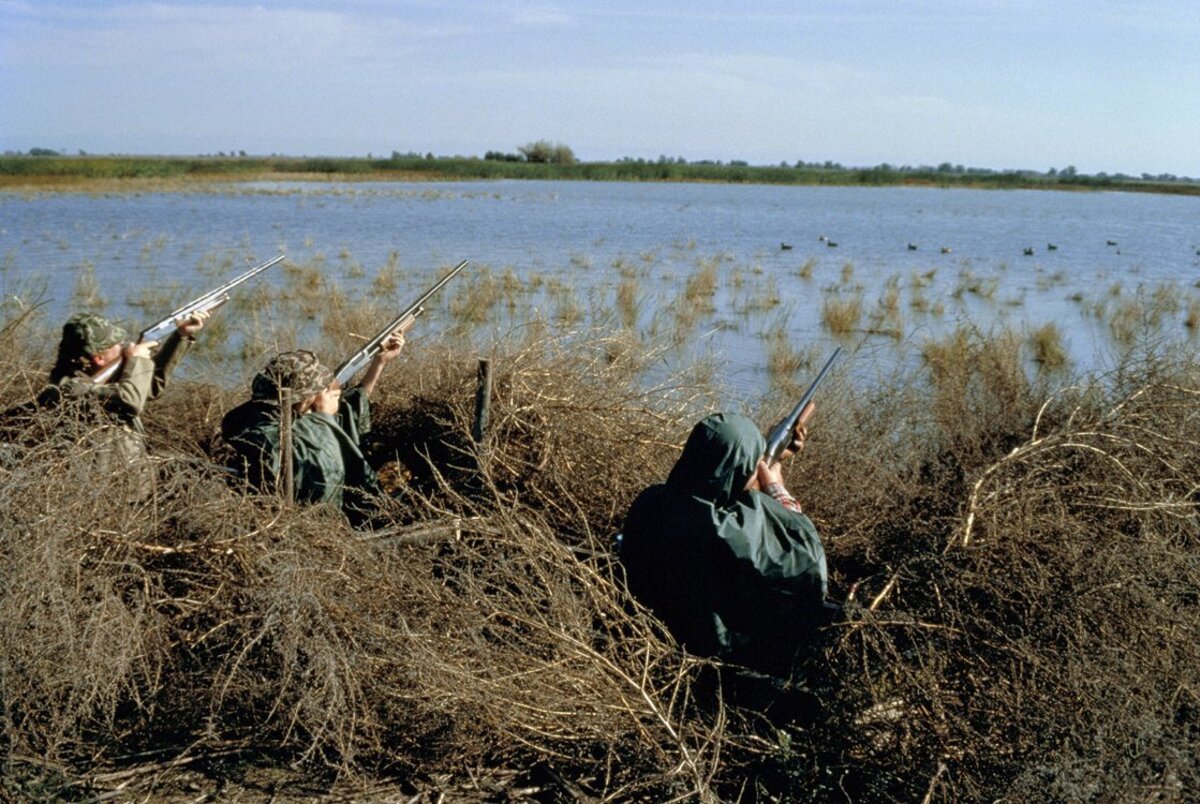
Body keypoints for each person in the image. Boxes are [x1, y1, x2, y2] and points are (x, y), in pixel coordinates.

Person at [618, 409, 831, 677]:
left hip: (644, 645)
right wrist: (774, 486)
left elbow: (716, 489)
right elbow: (808, 566)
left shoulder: (651, 502)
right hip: (712, 667)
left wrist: (764, 460)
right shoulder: (730, 531)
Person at [220, 329, 405, 523]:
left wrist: (379, 363)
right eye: (319, 389)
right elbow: (325, 472)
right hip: (312, 525)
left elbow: (348, 409)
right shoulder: (269, 434)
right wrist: (324, 417)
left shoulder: (276, 414)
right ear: (304, 400)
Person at [29, 310, 208, 493]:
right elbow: (131, 399)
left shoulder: (96, 380)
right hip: (105, 493)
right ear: (99, 358)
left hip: (127, 485)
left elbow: (150, 386)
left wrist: (180, 337)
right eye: (117, 345)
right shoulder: (70, 389)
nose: (125, 346)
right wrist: (137, 360)